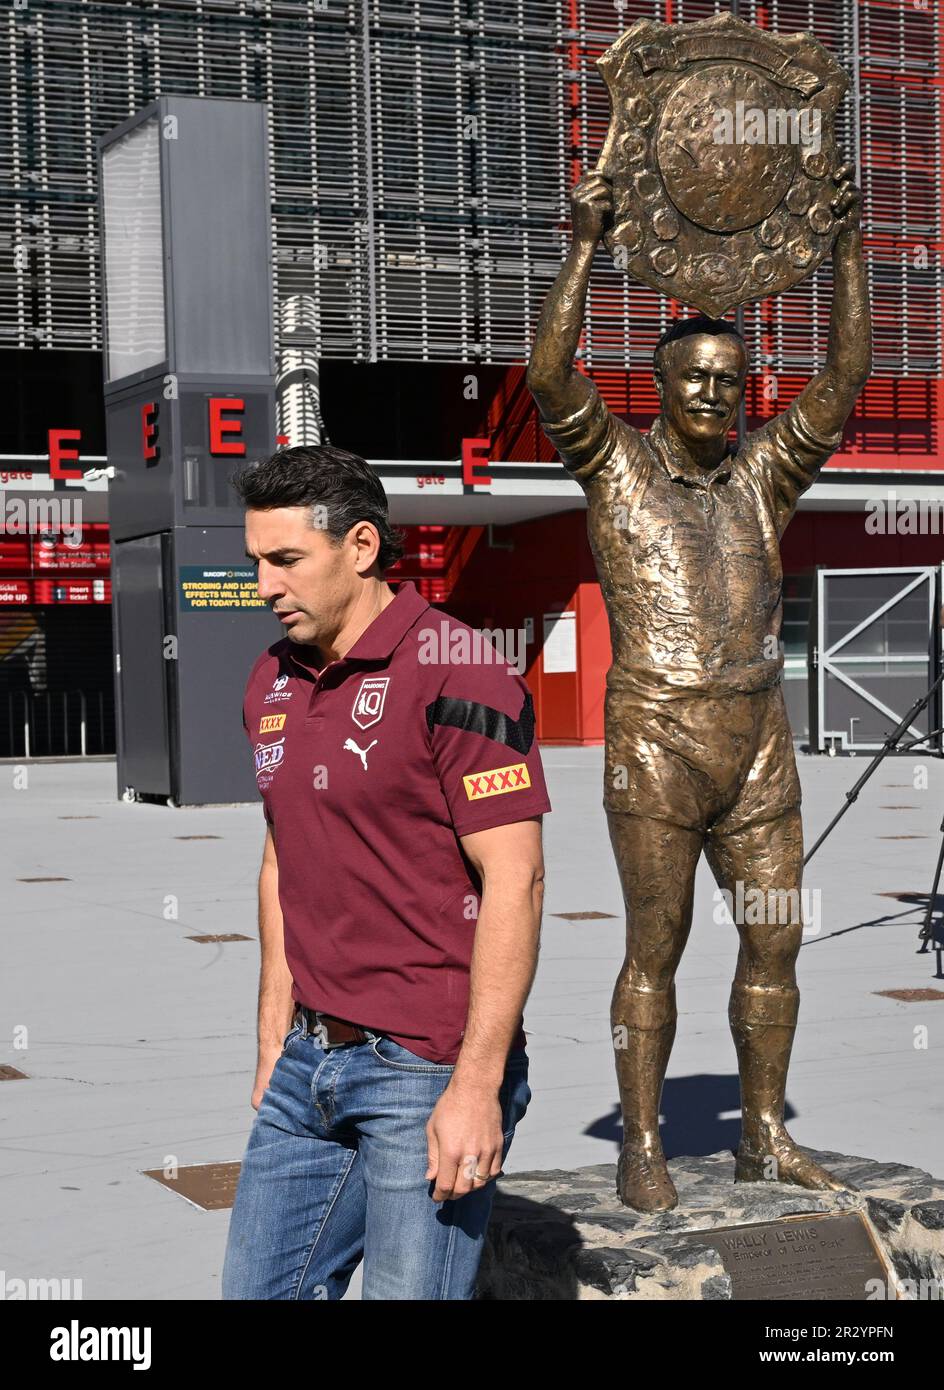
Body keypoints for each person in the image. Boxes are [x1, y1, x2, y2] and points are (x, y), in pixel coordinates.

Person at [527, 162, 871, 1212]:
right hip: (658, 742)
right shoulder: (615, 465)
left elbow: (842, 380)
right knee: (655, 944)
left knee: (774, 934)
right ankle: (640, 1141)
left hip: (756, 740)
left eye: (729, 378)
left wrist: (845, 255)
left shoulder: (765, 475)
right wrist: (583, 244)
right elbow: (547, 376)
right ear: (662, 385)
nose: (715, 392)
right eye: (695, 377)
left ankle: (762, 1133)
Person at [221, 444, 551, 1299]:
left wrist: (477, 1085)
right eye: (256, 561)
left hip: (424, 1064)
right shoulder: (271, 678)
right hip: (306, 1066)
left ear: (361, 547)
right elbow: (280, 855)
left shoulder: (462, 667)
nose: (265, 585)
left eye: (286, 560)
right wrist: (271, 1033)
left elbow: (516, 880)